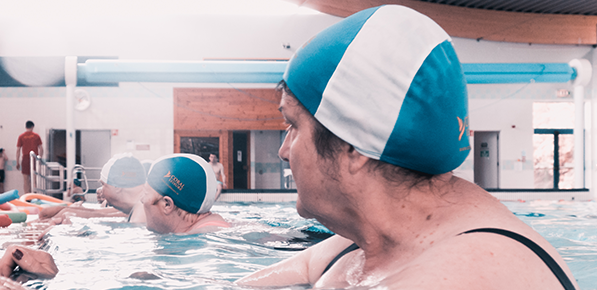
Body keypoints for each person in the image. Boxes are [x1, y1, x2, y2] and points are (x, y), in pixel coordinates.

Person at [235, 6, 576, 289]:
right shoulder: (369, 243)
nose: (283, 150)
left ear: (353, 144)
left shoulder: (466, 275)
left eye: (293, 126)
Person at [36, 153, 147, 224]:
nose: (100, 190)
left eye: (103, 185)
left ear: (117, 186)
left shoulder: (141, 214)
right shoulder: (138, 208)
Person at [139, 153, 230, 234]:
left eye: (146, 193)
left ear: (167, 204)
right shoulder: (212, 234)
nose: (141, 199)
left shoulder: (200, 241)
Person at [16, 120, 43, 194]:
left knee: (26, 179)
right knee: (34, 178)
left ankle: (26, 195)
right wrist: (39, 158)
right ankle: (33, 194)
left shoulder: (21, 136)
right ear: (32, 127)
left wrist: (17, 162)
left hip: (25, 158)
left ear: (25, 127)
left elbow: (18, 150)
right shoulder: (36, 136)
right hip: (34, 158)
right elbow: (41, 148)